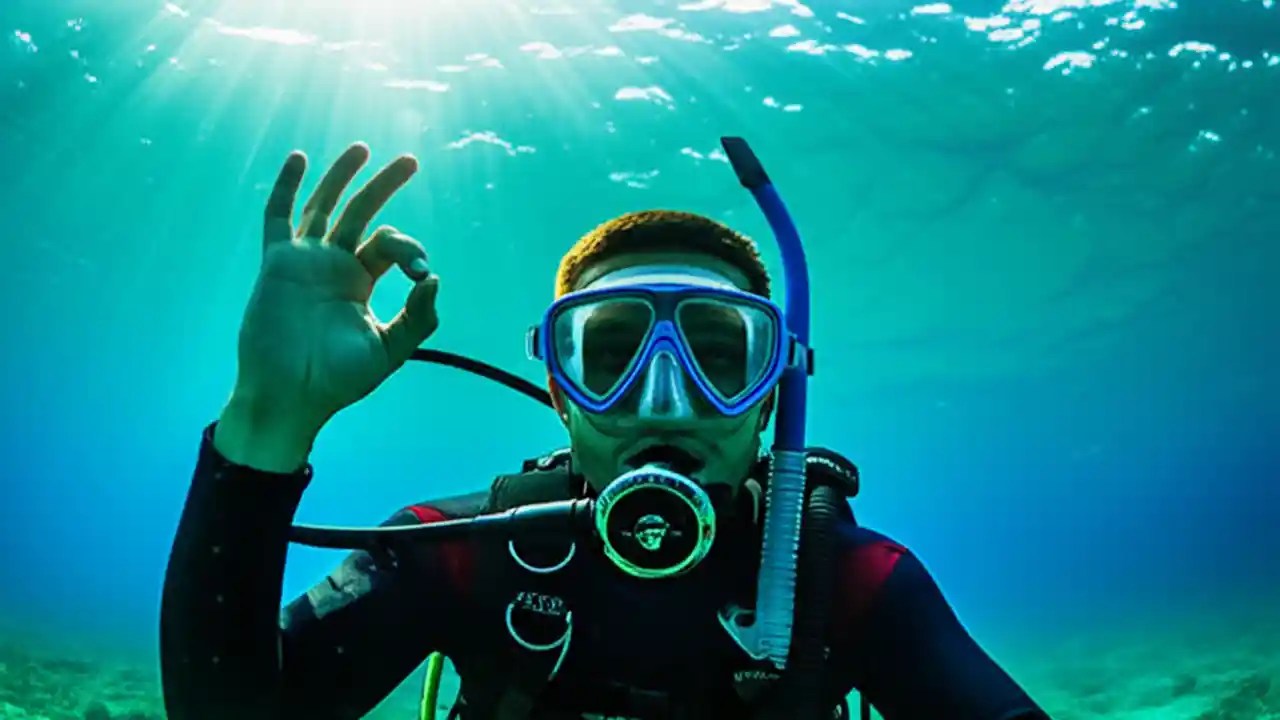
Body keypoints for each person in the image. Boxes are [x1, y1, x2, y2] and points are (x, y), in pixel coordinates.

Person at [159, 141, 1052, 720]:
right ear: (559, 389)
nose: (664, 403)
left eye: (719, 355)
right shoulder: (463, 554)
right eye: (611, 353)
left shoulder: (846, 582)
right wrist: (268, 423)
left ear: (774, 392)